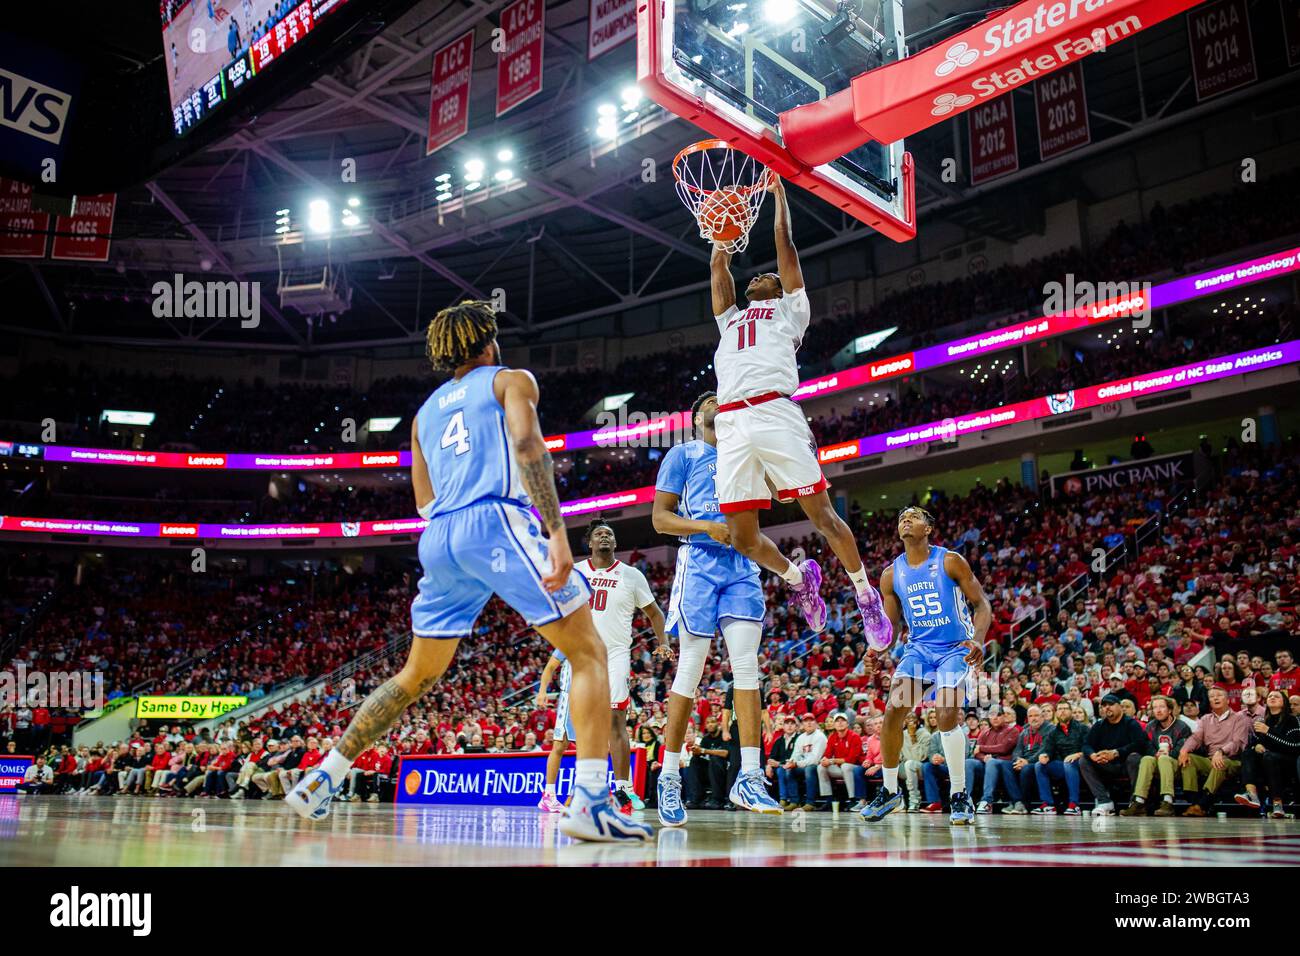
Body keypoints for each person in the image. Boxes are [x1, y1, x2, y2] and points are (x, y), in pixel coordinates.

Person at [285, 300, 651, 842]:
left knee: (416, 675)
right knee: (589, 651)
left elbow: (423, 498)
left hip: (438, 535)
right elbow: (529, 447)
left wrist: (459, 541)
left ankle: (324, 776)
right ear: (487, 342)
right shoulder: (510, 379)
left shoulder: (424, 414)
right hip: (494, 520)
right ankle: (593, 801)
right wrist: (554, 532)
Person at [706, 176, 891, 652]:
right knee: (742, 537)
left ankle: (865, 594)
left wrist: (779, 198)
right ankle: (797, 577)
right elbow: (718, 270)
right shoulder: (730, 319)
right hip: (730, 422)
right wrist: (720, 241)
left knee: (823, 515)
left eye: (764, 276)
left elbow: (784, 245)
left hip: (775, 413)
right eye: (752, 277)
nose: (757, 277)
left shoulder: (791, 310)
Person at [651, 391, 810, 825]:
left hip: (741, 564)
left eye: (726, 400)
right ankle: (669, 777)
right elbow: (660, 520)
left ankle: (751, 775)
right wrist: (706, 525)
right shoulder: (682, 455)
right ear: (697, 415)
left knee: (747, 669)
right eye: (710, 401)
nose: (719, 403)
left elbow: (783, 494)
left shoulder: (747, 450)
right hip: (698, 560)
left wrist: (788, 453)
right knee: (691, 669)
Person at [859, 506, 991, 826]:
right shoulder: (891, 574)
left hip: (953, 649)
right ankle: (891, 792)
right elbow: (889, 626)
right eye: (901, 515)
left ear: (928, 528)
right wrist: (876, 650)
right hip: (919, 650)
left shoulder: (950, 561)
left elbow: (982, 604)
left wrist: (978, 640)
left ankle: (959, 795)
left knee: (946, 713)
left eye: (914, 515)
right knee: (892, 712)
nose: (905, 518)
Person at [575, 519, 670, 813]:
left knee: (616, 721)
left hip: (615, 654)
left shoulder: (631, 575)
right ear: (590, 543)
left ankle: (623, 790)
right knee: (581, 726)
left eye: (610, 534)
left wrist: (663, 642)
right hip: (581, 655)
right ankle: (585, 789)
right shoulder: (576, 572)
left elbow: (654, 612)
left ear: (615, 544)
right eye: (599, 534)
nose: (605, 536)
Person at [1178, 686, 1251, 817]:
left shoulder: (1239, 718)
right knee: (1189, 758)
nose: (1215, 698)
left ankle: (1203, 804)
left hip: (1233, 760)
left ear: (1228, 700)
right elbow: (1196, 737)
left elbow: (1238, 743)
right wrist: (1184, 750)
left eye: (1219, 695)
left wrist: (1221, 751)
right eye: (1212, 696)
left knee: (1220, 762)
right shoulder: (1205, 719)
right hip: (1210, 759)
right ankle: (1194, 803)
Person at [1078, 694, 1151, 814]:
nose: (1107, 708)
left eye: (1110, 705)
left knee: (1135, 758)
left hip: (1125, 765)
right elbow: (1086, 745)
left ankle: (1135, 802)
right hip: (1106, 764)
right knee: (1084, 760)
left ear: (1120, 707)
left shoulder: (1131, 724)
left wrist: (1116, 753)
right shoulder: (1099, 725)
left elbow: (1140, 744)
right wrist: (1093, 755)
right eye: (1104, 706)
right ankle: (1104, 801)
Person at [1233, 689, 1299, 818]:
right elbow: (1257, 742)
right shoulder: (1265, 720)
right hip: (1268, 762)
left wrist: (1268, 732)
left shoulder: (1292, 720)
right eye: (1270, 696)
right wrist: (1256, 745)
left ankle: (1277, 803)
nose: (1272, 697)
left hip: (1288, 762)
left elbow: (1294, 746)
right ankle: (1252, 794)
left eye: (1277, 696)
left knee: (1269, 757)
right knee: (1248, 753)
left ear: (1284, 703)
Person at [1123, 695, 1190, 816]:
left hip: (1177, 765)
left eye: (1162, 707)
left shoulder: (1182, 727)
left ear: (1169, 710)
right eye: (1155, 707)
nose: (1158, 710)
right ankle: (1139, 802)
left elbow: (1183, 748)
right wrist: (1154, 753)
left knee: (1164, 759)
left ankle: (1168, 802)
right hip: (1158, 763)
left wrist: (1169, 753)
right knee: (1147, 759)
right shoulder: (1150, 726)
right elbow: (1146, 746)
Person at [535, 648, 574, 813]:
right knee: (559, 745)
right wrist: (542, 691)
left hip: (591, 698)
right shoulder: (569, 639)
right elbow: (550, 667)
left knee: (590, 749)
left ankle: (580, 797)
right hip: (570, 699)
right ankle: (548, 795)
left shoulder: (601, 639)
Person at [1032, 705, 1087, 814]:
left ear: (1071, 712)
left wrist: (1078, 754)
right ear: (1056, 713)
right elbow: (1048, 749)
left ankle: (1074, 805)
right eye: (1060, 709)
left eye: (1065, 709)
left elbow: (1090, 747)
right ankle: (1048, 804)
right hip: (1062, 765)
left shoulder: (1082, 728)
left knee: (1068, 763)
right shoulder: (1053, 732)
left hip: (1081, 764)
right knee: (1039, 765)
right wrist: (1045, 756)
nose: (1062, 711)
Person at [975, 705, 1025, 814]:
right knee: (969, 762)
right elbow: (976, 751)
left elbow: (1003, 748)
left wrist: (983, 749)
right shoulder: (984, 732)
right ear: (989, 717)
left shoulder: (1013, 731)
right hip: (987, 764)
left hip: (1006, 763)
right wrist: (984, 758)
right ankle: (965, 800)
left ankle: (986, 801)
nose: (995, 718)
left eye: (998, 715)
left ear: (1004, 717)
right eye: (992, 715)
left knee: (992, 762)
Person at [781, 713, 827, 810]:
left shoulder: (820, 736)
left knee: (809, 769)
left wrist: (796, 764)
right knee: (789, 770)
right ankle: (794, 801)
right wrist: (791, 762)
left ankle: (810, 802)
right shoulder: (801, 737)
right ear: (802, 724)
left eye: (811, 720)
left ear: (816, 723)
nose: (809, 723)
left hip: (819, 765)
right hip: (803, 765)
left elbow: (815, 760)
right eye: (806, 721)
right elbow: (795, 754)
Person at [817, 714, 863, 810]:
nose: (840, 723)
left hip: (855, 768)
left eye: (843, 720)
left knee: (846, 766)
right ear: (834, 724)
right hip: (840, 768)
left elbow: (852, 759)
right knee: (821, 767)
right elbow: (827, 753)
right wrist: (824, 760)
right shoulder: (833, 737)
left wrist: (832, 761)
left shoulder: (854, 736)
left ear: (847, 723)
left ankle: (852, 800)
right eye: (837, 721)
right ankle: (828, 800)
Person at [898, 711, 932, 811]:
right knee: (889, 767)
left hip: (920, 767)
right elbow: (898, 755)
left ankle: (914, 800)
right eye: (908, 719)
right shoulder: (901, 734)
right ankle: (898, 802)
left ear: (917, 722)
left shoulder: (925, 734)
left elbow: (920, 757)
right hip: (905, 766)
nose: (910, 721)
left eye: (913, 719)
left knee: (910, 764)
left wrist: (913, 737)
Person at [767, 715, 802, 808]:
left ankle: (790, 800)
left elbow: (796, 757)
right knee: (776, 770)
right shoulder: (779, 740)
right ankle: (779, 799)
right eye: (787, 724)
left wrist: (779, 763)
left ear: (796, 726)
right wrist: (769, 765)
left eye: (792, 724)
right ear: (783, 726)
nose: (789, 726)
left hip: (795, 766)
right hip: (781, 766)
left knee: (782, 770)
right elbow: (772, 756)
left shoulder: (800, 739)